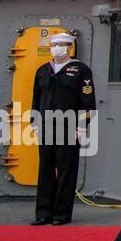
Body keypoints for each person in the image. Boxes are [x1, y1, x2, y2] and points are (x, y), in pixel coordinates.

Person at [31, 33, 95, 225]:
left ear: (70, 47)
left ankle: (61, 214)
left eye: (62, 44)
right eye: (55, 44)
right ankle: (43, 213)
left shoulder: (80, 70)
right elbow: (36, 98)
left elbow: (87, 101)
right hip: (46, 126)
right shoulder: (43, 71)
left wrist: (82, 127)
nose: (58, 48)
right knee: (45, 170)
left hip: (68, 126)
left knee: (66, 170)